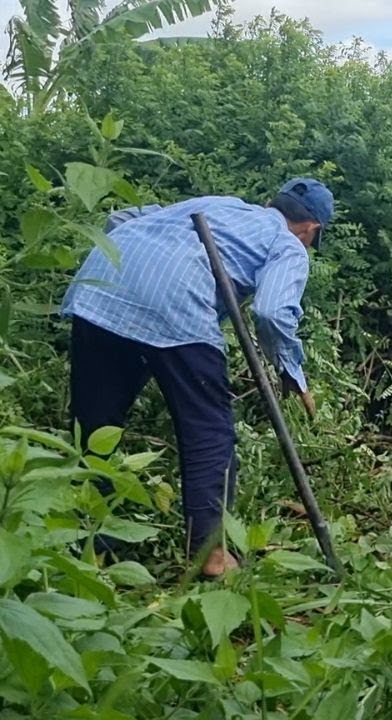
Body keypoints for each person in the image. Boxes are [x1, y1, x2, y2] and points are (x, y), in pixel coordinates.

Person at [61, 178, 334, 577]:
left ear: (270, 203)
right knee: (208, 429)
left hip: (102, 284)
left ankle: (88, 543)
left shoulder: (221, 203)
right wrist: (291, 370)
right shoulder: (289, 245)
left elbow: (121, 218)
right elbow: (272, 312)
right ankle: (211, 554)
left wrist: (137, 267)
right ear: (312, 229)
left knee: (95, 424)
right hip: (177, 302)